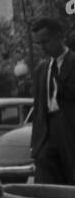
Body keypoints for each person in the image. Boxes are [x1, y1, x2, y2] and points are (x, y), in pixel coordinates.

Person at [31, 16, 75, 185]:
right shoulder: (41, 70)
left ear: (59, 36)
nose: (43, 47)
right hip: (47, 133)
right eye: (39, 44)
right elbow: (38, 109)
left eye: (46, 42)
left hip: (70, 131)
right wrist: (35, 145)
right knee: (46, 185)